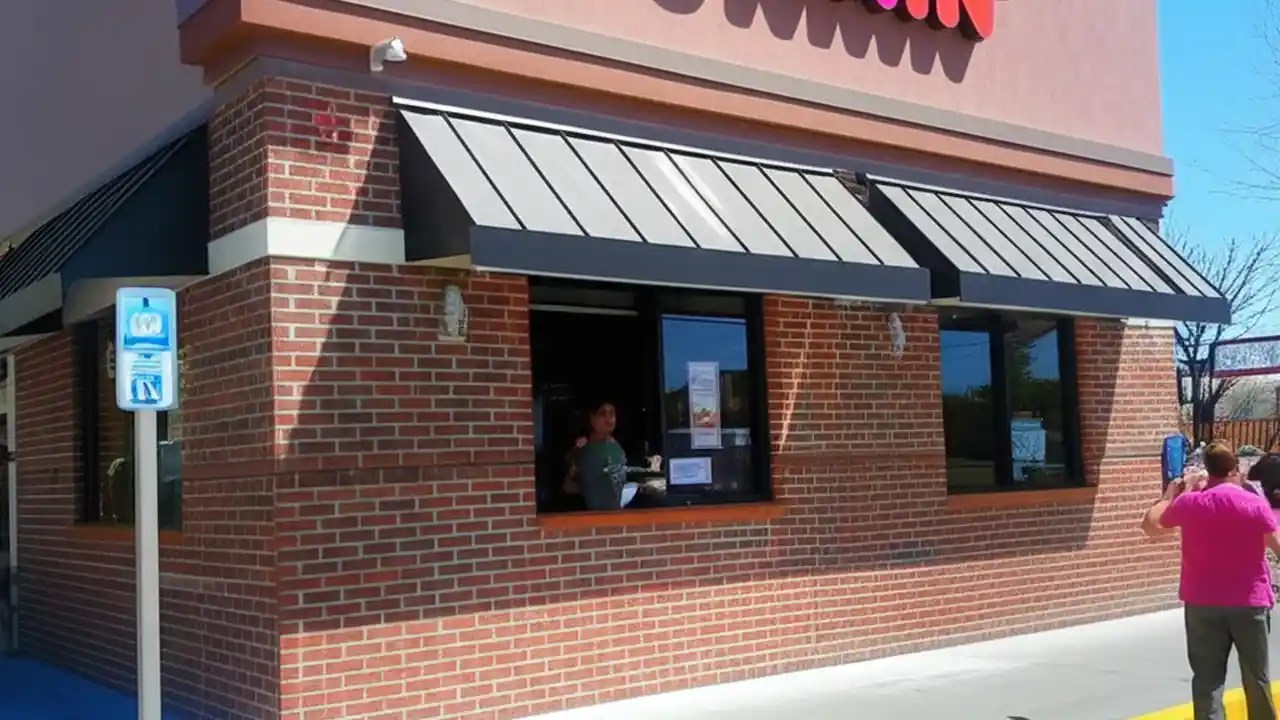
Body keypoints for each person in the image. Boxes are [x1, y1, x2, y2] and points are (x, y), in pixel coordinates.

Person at [1143, 442, 1280, 720]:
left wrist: (1173, 493)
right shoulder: (1254, 503)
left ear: (1208, 470)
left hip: (1202, 601)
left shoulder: (1190, 504)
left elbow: (1151, 525)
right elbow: (1275, 545)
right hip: (1248, 601)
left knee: (1207, 679)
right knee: (1257, 677)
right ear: (1236, 469)